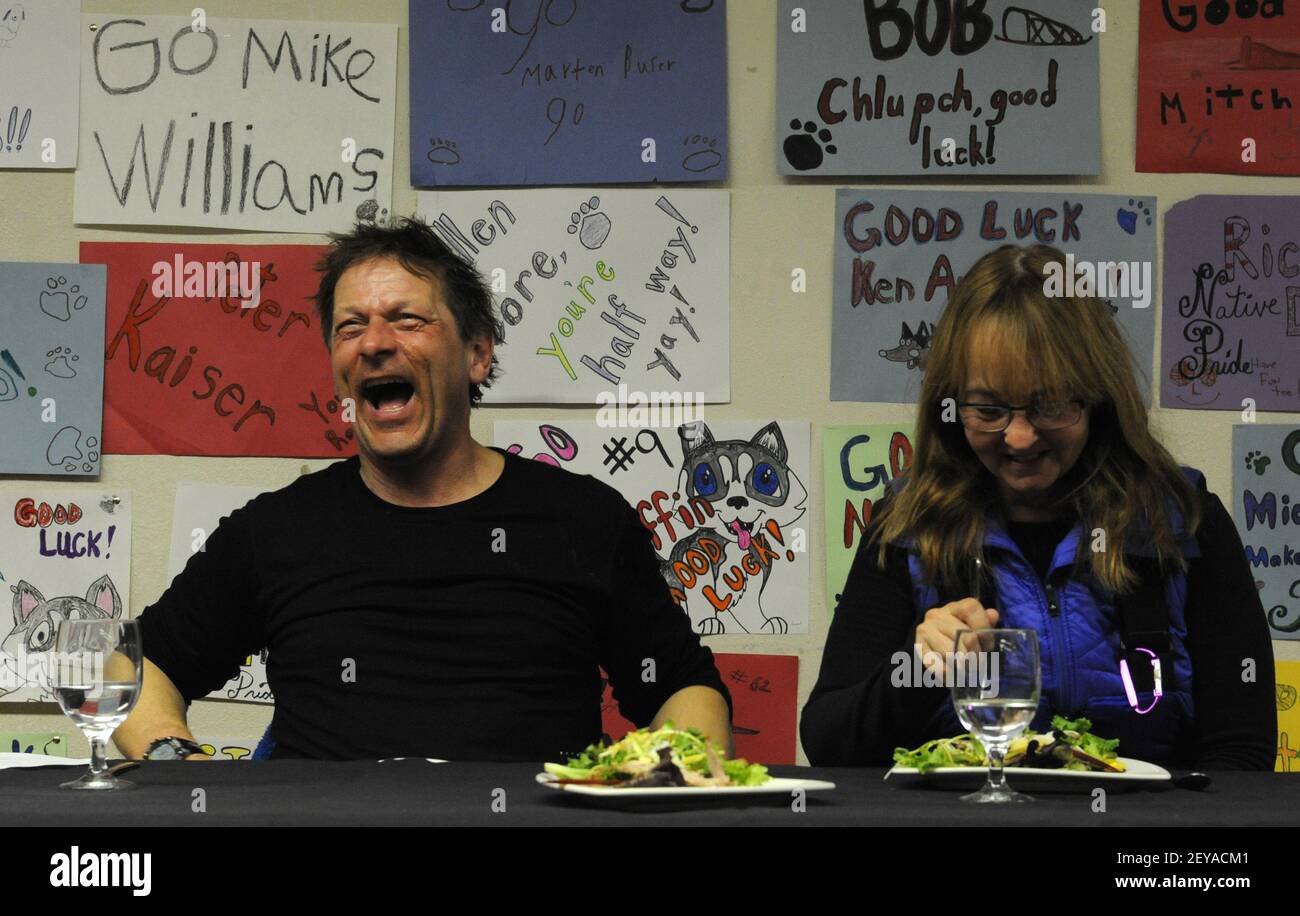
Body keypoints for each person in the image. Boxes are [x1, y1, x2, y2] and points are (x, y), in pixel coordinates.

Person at [116, 217, 732, 761]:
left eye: (408, 320)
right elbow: (133, 669)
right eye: (349, 326)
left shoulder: (583, 520)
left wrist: (673, 771)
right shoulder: (277, 530)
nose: (376, 343)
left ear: (477, 354)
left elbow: (684, 687)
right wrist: (180, 768)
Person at [801, 244, 1276, 770]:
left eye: (1050, 404)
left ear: (1098, 397)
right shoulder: (908, 527)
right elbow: (826, 742)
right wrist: (915, 671)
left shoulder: (1184, 523)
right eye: (988, 409)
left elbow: (1241, 754)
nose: (1021, 438)